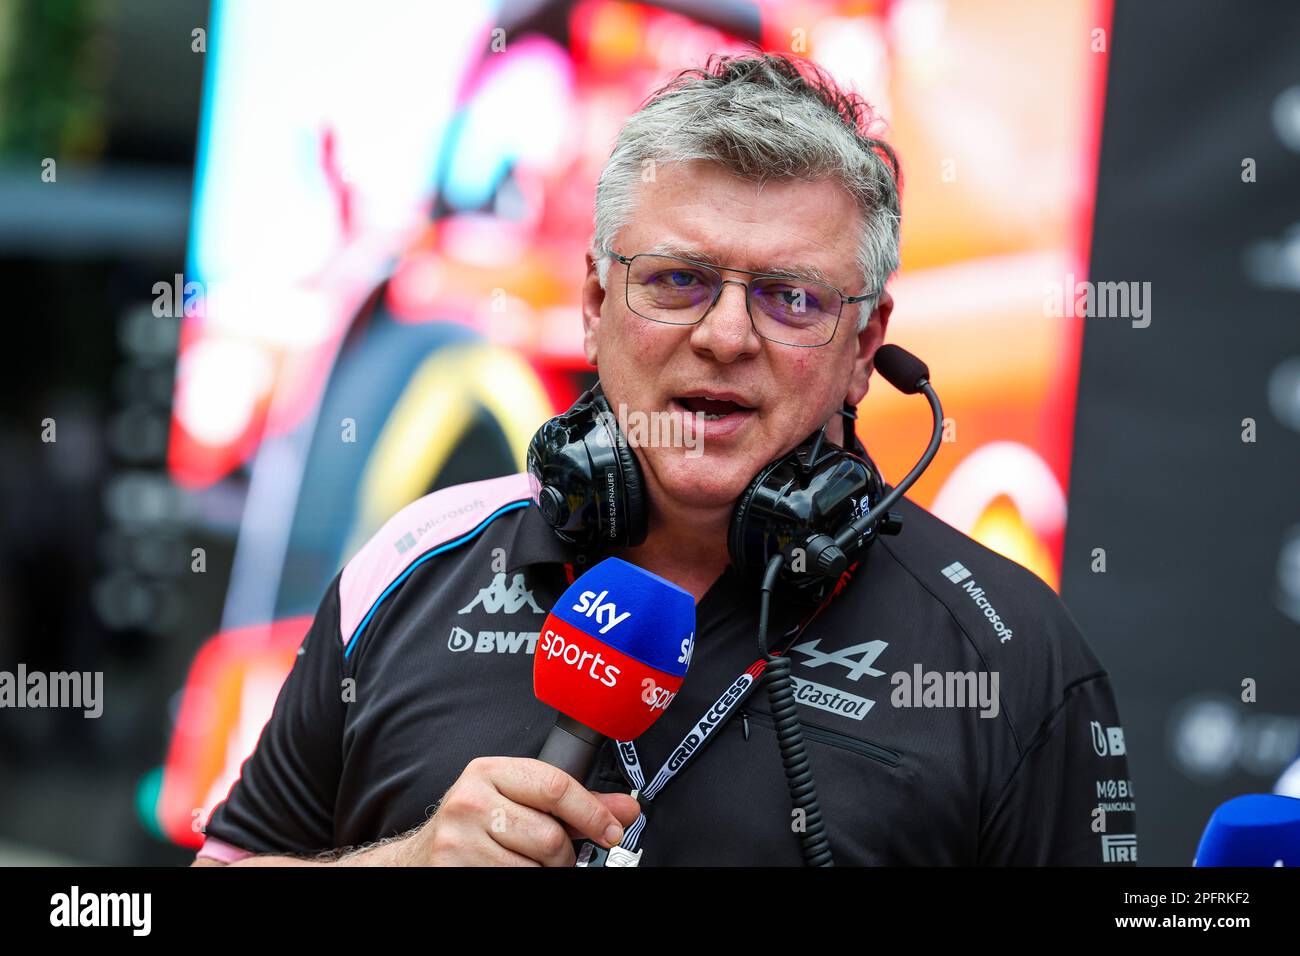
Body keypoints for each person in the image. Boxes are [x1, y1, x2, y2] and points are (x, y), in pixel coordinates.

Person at [193, 52, 1136, 867]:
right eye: (678, 280)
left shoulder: (1012, 656)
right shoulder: (412, 564)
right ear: (597, 306)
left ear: (864, 348)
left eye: (791, 299)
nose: (726, 336)